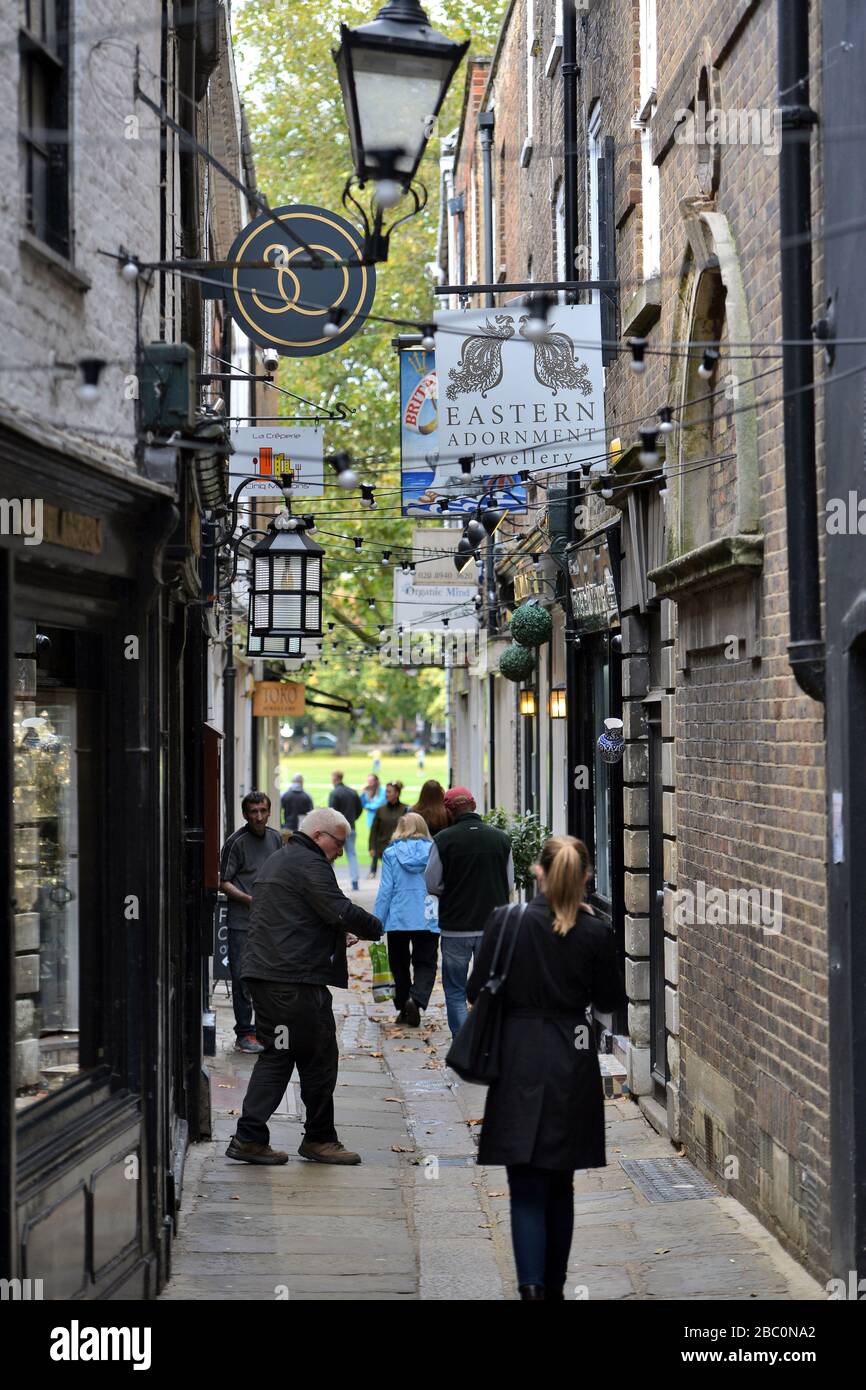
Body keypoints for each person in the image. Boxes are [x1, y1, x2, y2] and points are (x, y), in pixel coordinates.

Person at [467, 836, 627, 1300]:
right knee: (561, 1180)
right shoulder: (595, 932)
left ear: (537, 871)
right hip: (569, 1059)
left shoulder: (506, 920)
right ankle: (553, 1289)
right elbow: (612, 1001)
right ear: (586, 878)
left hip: (516, 1055)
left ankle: (531, 1289)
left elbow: (477, 987)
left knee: (525, 1181)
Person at [226, 808, 383, 1166]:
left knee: (279, 1053)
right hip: (294, 982)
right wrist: (376, 927)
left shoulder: (282, 859)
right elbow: (337, 908)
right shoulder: (308, 864)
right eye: (338, 844)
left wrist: (328, 934)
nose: (341, 852)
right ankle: (319, 1139)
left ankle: (249, 1137)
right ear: (318, 836)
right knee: (319, 1056)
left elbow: (294, 916)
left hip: (269, 977)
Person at [425, 786, 513, 1036]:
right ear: (474, 806)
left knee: (455, 990)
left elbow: (432, 882)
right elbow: (508, 883)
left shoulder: (443, 840)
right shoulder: (500, 839)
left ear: (449, 810)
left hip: (456, 927)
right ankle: (489, 1040)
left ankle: (464, 1044)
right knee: (490, 986)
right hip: (491, 927)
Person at [219, 791, 282, 1054]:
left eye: (262, 811)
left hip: (271, 923)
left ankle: (265, 1031)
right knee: (243, 979)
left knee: (268, 979)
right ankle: (244, 1033)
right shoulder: (236, 843)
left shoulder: (276, 838)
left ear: (269, 812)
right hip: (242, 923)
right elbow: (223, 882)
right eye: (253, 812)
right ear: (245, 814)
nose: (258, 816)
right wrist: (249, 899)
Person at [374, 812, 440, 1027]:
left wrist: (377, 921)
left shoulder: (391, 853)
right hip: (427, 914)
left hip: (398, 915)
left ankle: (403, 1005)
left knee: (398, 964)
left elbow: (386, 889)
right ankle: (417, 999)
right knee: (426, 962)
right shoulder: (434, 851)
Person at [328, 770, 363, 891]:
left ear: (335, 778)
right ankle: (355, 881)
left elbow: (331, 813)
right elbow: (359, 809)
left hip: (337, 830)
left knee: (331, 855)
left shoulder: (334, 793)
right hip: (351, 827)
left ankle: (329, 881)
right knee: (351, 854)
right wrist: (352, 819)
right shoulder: (352, 792)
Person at [368, 781, 408, 879]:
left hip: (401, 850)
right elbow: (374, 830)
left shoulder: (406, 809)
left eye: (389, 792)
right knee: (387, 878)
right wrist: (372, 847)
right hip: (383, 849)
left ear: (397, 794)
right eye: (386, 791)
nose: (386, 794)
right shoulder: (380, 810)